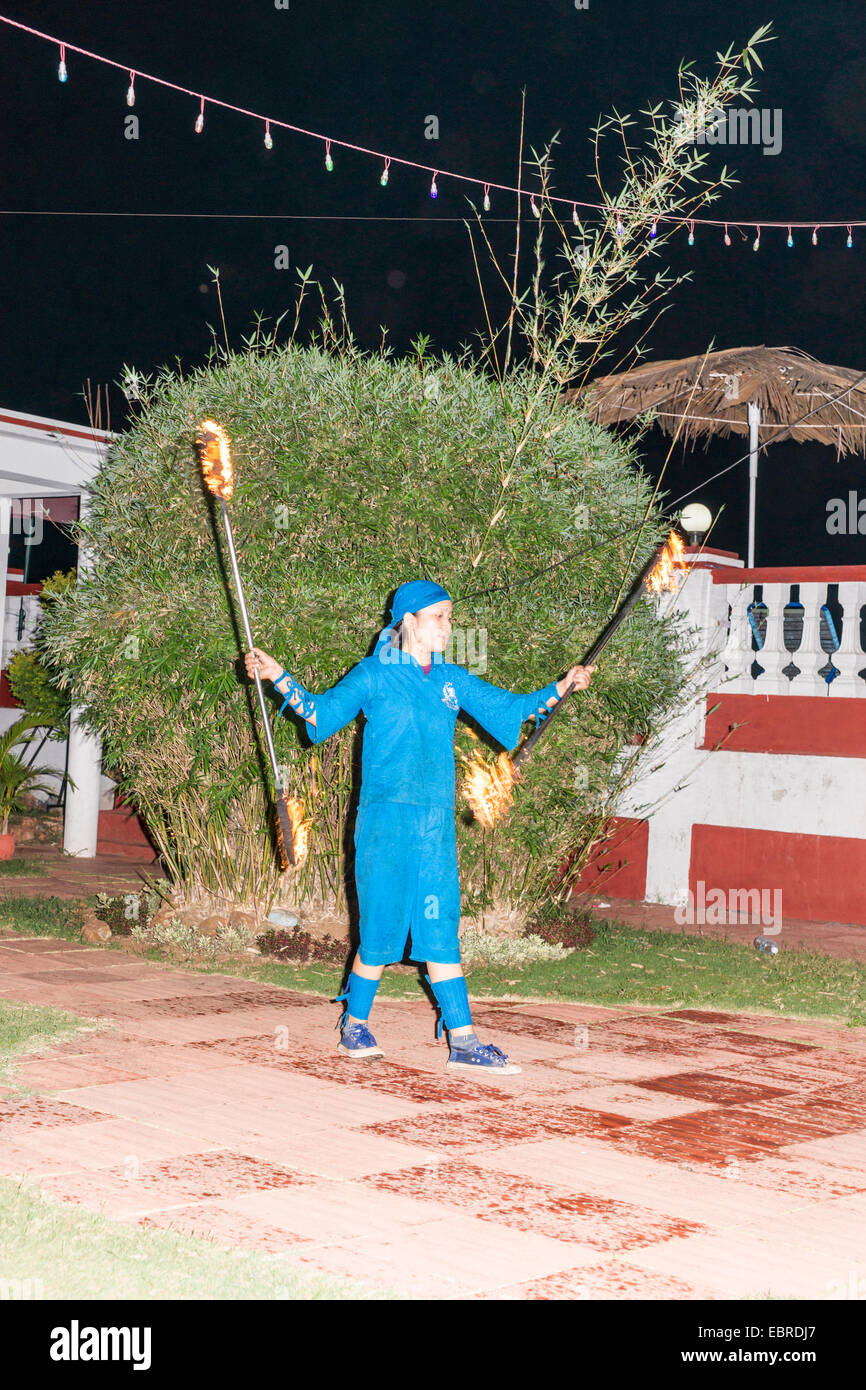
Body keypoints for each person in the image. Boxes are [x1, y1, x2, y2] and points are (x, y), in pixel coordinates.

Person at [244, 578, 594, 1077]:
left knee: (440, 927)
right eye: (439, 617)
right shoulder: (373, 675)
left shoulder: (451, 680)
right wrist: (278, 675)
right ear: (408, 621)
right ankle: (355, 1023)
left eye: (450, 617)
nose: (448, 627)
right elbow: (319, 715)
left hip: (434, 825)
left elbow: (512, 710)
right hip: (385, 821)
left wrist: (563, 685)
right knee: (380, 931)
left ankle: (464, 1039)